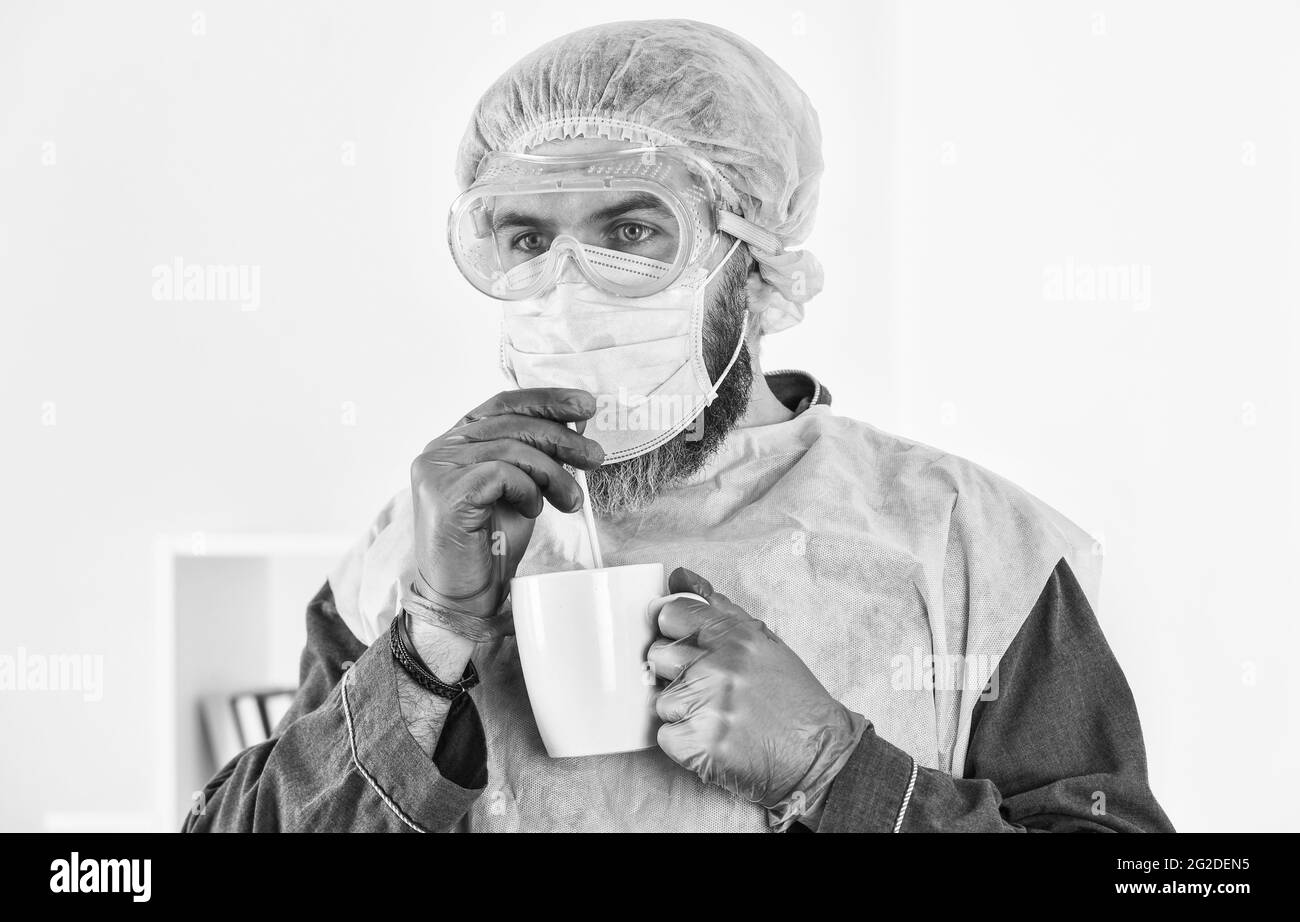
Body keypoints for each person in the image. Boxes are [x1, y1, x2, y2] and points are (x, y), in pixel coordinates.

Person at [185, 19, 1173, 833]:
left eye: (630, 232)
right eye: (526, 239)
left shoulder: (968, 549)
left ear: (752, 257)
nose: (569, 296)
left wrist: (841, 769)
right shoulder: (420, 544)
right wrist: (428, 647)